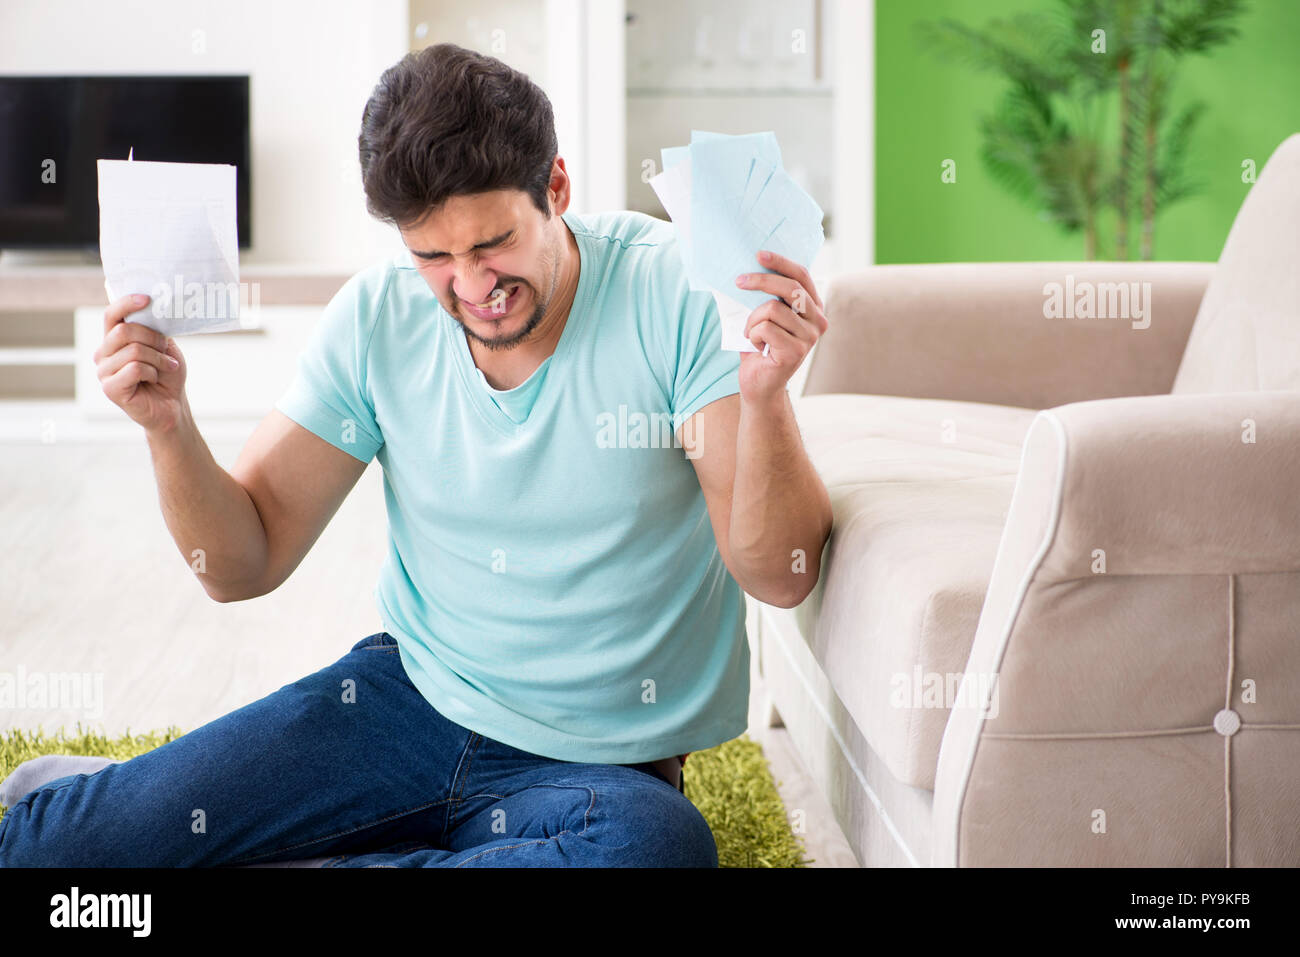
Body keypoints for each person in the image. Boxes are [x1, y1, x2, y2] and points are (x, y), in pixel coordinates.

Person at [0, 42, 832, 868]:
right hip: (405, 705)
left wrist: (762, 399)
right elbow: (239, 562)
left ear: (557, 188)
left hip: (597, 770)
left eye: (492, 245)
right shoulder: (378, 317)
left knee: (658, 849)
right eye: (434, 256)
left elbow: (782, 572)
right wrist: (167, 424)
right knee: (47, 849)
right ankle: (167, 820)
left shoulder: (674, 294)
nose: (472, 287)